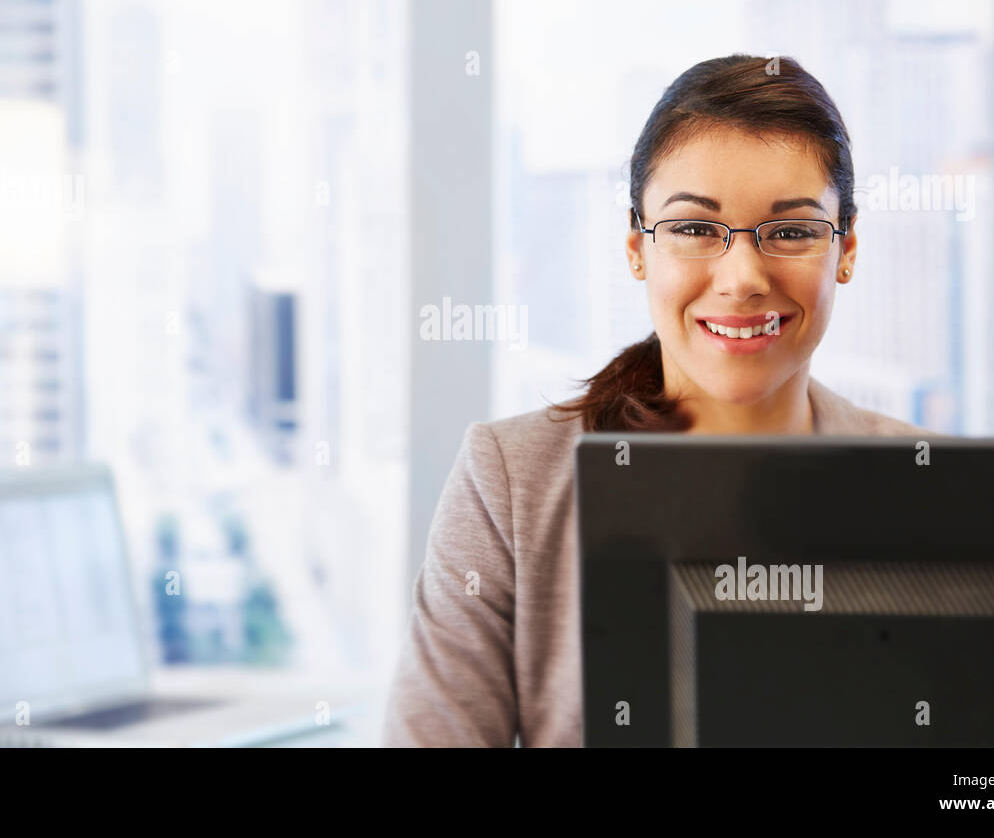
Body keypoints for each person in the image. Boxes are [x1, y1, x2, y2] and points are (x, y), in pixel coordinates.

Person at [382, 54, 937, 747]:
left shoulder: (928, 483)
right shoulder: (512, 482)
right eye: (695, 229)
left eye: (792, 230)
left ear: (846, 249)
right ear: (636, 248)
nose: (741, 277)